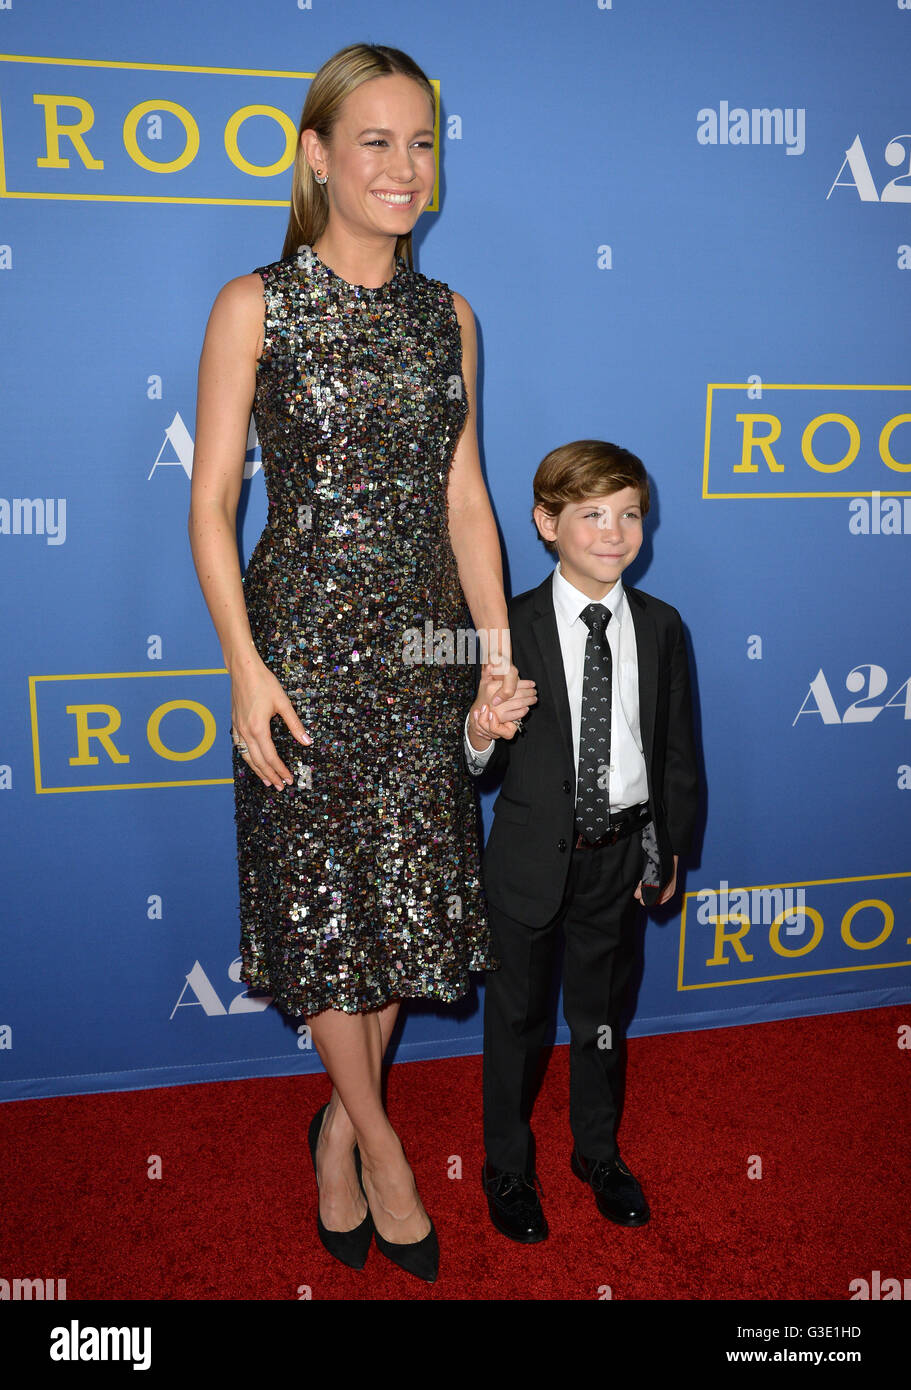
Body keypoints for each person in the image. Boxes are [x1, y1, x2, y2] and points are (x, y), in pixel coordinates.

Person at [188, 42, 533, 1284]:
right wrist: (243, 665)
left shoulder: (450, 319)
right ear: (316, 157)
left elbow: (468, 502)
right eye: (374, 141)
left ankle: (336, 1122)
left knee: (398, 906)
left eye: (421, 143)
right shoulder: (254, 304)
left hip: (420, 647)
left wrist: (492, 654)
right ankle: (382, 1148)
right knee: (326, 908)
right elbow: (213, 497)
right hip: (301, 648)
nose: (401, 167)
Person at [464, 440, 699, 1242]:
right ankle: (507, 1167)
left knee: (602, 1020)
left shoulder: (663, 627)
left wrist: (668, 849)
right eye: (591, 515)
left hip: (618, 859)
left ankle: (596, 1153)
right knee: (518, 1025)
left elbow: (674, 751)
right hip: (530, 862)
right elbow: (467, 749)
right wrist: (479, 728)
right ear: (544, 522)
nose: (613, 532)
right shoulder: (502, 627)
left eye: (629, 514)